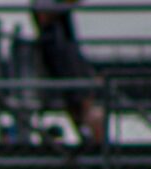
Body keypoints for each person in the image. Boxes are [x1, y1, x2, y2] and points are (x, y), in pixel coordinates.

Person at [32, 0, 104, 144]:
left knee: (82, 102)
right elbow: (43, 15)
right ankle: (93, 139)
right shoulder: (53, 37)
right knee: (79, 100)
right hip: (60, 55)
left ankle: (93, 138)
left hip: (64, 53)